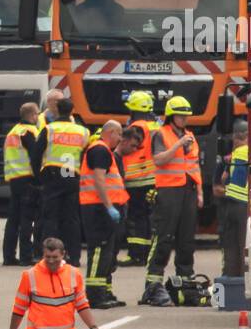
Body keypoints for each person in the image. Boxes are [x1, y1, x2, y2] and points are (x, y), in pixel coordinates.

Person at [141, 96, 203, 307]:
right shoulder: (161, 134)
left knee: (186, 240)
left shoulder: (191, 136)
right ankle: (153, 286)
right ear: (171, 116)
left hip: (189, 190)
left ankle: (185, 284)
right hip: (168, 190)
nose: (184, 119)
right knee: (164, 237)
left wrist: (200, 193)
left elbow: (194, 167)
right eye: (180, 115)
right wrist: (177, 144)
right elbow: (159, 160)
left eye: (186, 115)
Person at [30, 98, 88, 269]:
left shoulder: (49, 129)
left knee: (50, 218)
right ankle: (75, 257)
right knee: (72, 219)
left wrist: (38, 177)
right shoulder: (83, 131)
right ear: (72, 111)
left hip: (52, 177)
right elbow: (85, 155)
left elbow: (35, 154)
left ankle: (48, 257)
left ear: (56, 110)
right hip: (72, 177)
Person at [78, 121, 128, 309]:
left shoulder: (104, 151)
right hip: (98, 208)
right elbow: (99, 179)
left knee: (108, 252)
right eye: (119, 134)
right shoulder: (99, 150)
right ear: (111, 132)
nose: (120, 138)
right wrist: (108, 206)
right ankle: (94, 295)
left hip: (103, 206)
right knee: (99, 250)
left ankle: (105, 291)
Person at [120, 90, 161, 266]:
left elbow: (127, 147)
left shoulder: (137, 127)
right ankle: (144, 253)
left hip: (136, 179)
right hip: (153, 177)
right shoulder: (157, 126)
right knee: (146, 217)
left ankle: (136, 255)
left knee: (136, 218)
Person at [2, 101, 41, 266]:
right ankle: (26, 256)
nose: (38, 117)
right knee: (27, 219)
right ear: (32, 115)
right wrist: (39, 178)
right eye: (37, 114)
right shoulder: (29, 131)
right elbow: (35, 156)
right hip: (27, 179)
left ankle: (8, 256)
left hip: (14, 179)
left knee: (13, 219)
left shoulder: (13, 132)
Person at [216, 120, 250, 278]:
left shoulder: (237, 153)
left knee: (230, 245)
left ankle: (229, 278)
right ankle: (244, 280)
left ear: (238, 138)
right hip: (246, 206)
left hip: (231, 205)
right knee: (245, 245)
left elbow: (223, 179)